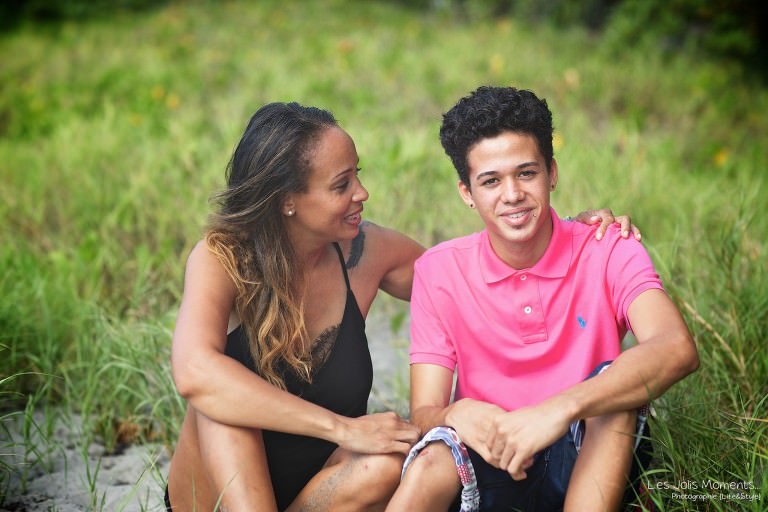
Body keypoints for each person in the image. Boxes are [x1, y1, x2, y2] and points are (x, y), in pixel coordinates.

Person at [166, 101, 640, 511]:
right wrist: (343, 429)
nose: (362, 194)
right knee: (221, 401)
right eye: (341, 184)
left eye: (358, 175)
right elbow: (194, 371)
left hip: (315, 493)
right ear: (288, 200)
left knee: (392, 460)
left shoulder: (369, 253)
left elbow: (474, 275)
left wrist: (566, 235)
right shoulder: (222, 256)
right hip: (217, 497)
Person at [386, 86, 699, 512]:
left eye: (526, 173)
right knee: (432, 459)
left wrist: (559, 409)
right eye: (491, 181)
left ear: (552, 173)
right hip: (493, 454)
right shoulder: (438, 270)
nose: (512, 194)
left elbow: (676, 348)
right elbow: (424, 411)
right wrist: (454, 415)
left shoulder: (609, 246)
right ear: (466, 192)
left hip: (590, 450)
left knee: (614, 397)